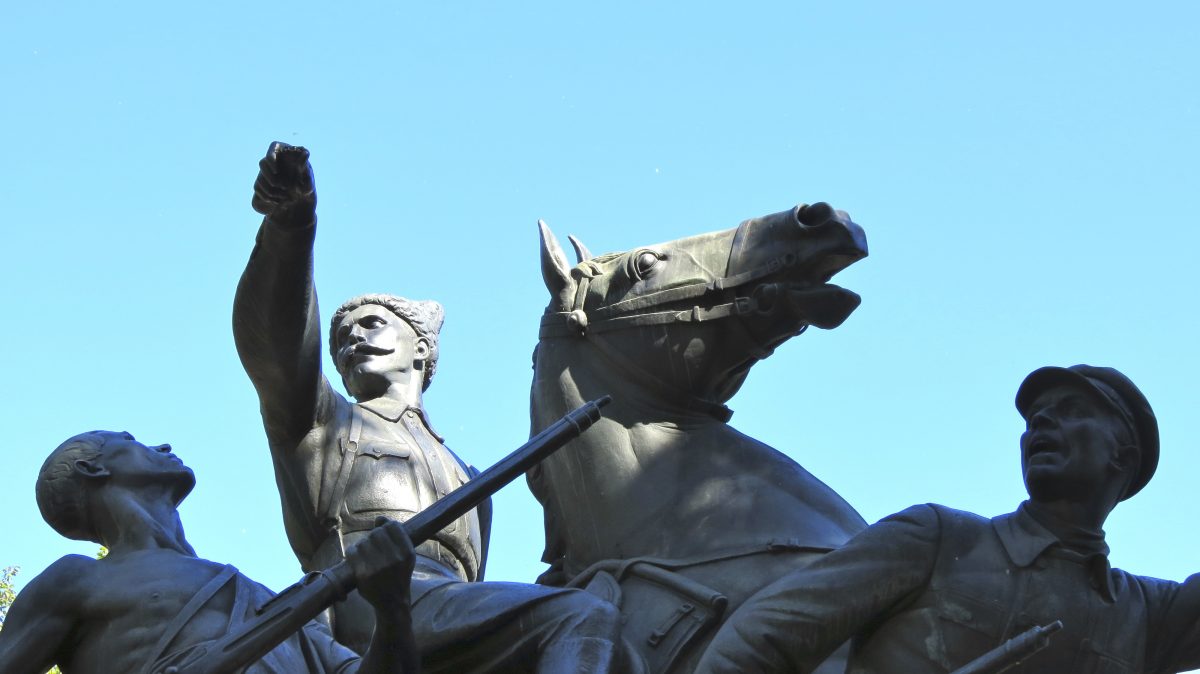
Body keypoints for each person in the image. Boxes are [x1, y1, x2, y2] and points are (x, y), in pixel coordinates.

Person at [233, 142, 625, 672]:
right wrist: (292, 226)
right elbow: (277, 346)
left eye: (371, 324)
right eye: (342, 336)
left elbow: (475, 587)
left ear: (421, 347)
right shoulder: (322, 426)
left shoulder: (468, 474)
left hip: (446, 621)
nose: (351, 339)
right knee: (579, 617)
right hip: (366, 606)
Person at [695, 365, 1200, 673]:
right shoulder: (936, 538)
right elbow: (756, 643)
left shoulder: (1149, 617)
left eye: (1071, 410)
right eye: (1033, 418)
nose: (1041, 422)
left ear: (1123, 456)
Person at [0, 431, 418, 674]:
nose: (161, 445)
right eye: (130, 441)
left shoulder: (267, 602)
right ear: (93, 469)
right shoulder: (78, 579)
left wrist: (393, 606)